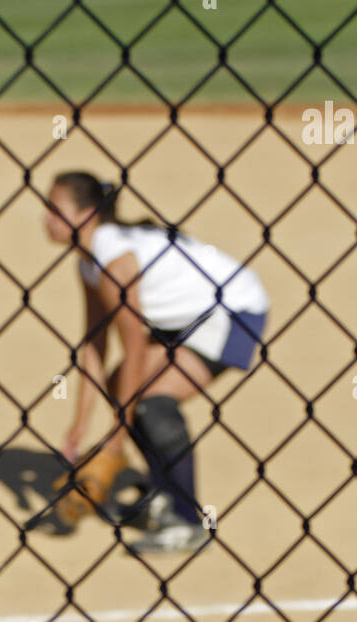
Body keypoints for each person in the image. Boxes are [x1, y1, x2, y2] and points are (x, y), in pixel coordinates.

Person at [42, 171, 269, 555]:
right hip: (185, 317)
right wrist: (79, 427)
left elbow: (132, 352)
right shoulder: (88, 261)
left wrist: (114, 441)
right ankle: (162, 495)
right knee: (124, 390)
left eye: (55, 208)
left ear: (88, 214)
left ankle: (186, 520)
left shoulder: (114, 261)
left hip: (231, 309)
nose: (45, 217)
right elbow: (95, 346)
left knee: (151, 402)